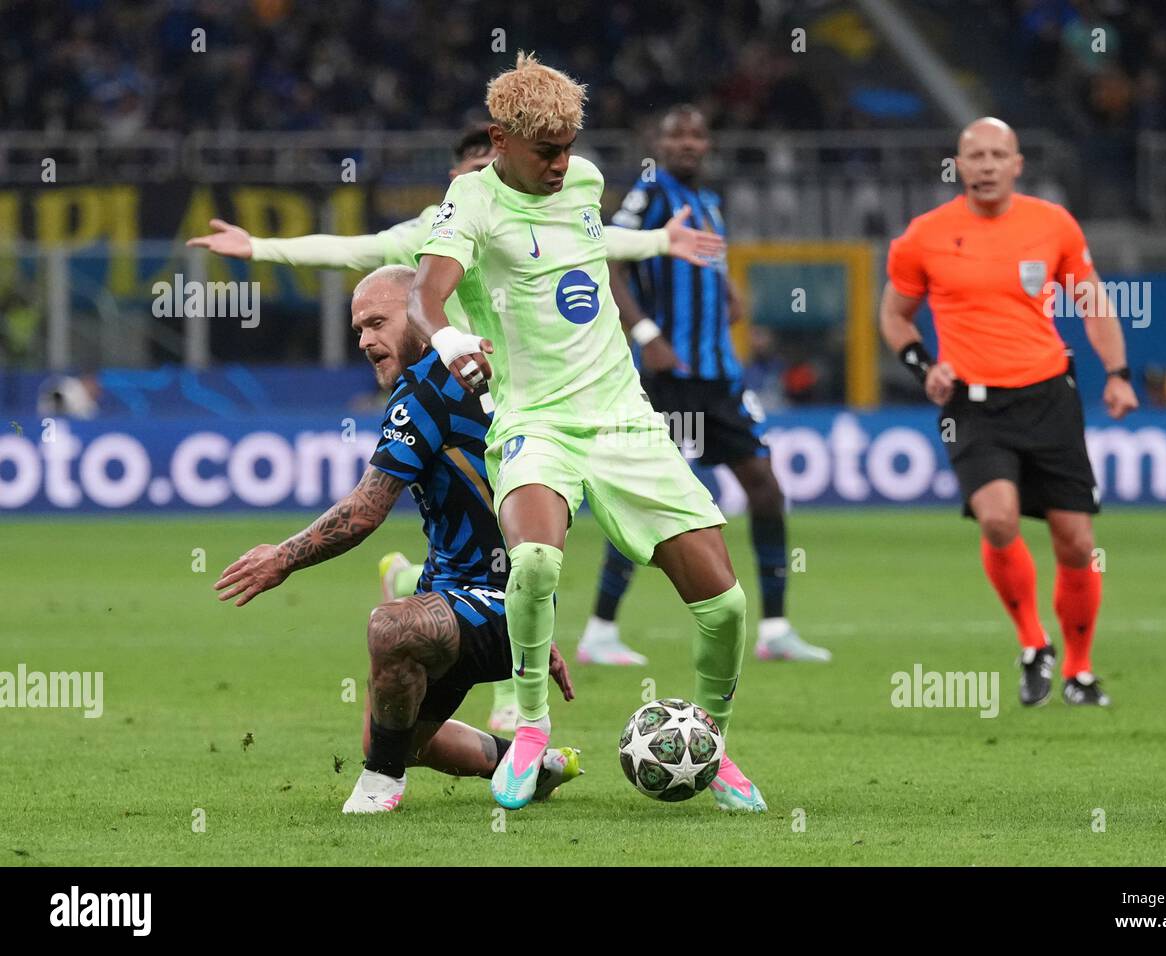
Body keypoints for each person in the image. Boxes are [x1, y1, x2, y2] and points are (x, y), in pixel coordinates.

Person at [188, 122, 725, 735]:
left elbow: (593, 239)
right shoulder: (438, 226)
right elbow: (352, 250)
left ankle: (434, 600)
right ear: (457, 179)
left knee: (526, 539)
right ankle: (506, 691)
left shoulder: (538, 206)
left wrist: (659, 240)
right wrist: (259, 248)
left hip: (516, 391)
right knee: (511, 535)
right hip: (459, 387)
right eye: (468, 176)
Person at [409, 52, 766, 812]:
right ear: (502, 140)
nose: (562, 162)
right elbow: (426, 293)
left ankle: (715, 742)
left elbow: (595, 260)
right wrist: (452, 342)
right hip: (536, 422)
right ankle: (531, 729)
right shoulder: (469, 201)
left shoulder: (588, 181)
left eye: (571, 145)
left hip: (625, 420)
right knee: (534, 561)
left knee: (727, 607)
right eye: (547, 150)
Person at [213, 264, 582, 813]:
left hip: (495, 604)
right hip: (483, 599)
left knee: (390, 627)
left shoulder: (426, 389)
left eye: (377, 323)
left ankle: (380, 788)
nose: (364, 340)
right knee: (395, 733)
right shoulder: (482, 369)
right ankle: (527, 763)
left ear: (418, 315)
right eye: (358, 329)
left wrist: (282, 559)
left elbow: (364, 512)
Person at [879, 117, 1139, 708]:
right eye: (977, 155)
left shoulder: (1053, 225)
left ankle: (1078, 670)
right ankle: (1032, 643)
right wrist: (925, 367)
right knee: (998, 519)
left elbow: (1093, 302)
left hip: (1049, 395)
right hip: (973, 404)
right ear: (959, 165)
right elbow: (893, 316)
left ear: (1018, 164)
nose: (989, 164)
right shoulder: (924, 236)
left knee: (1075, 541)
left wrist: (1119, 375)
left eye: (1000, 154)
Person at [576, 103, 830, 665]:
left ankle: (777, 628)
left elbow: (702, 265)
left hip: (719, 378)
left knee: (764, 487)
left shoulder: (709, 203)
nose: (688, 144)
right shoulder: (650, 194)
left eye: (697, 135)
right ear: (659, 144)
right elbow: (606, 258)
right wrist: (644, 331)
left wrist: (728, 293)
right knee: (651, 500)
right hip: (670, 380)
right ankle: (599, 630)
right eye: (677, 136)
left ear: (708, 144)